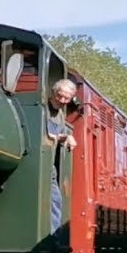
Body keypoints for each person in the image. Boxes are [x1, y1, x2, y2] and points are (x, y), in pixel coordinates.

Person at [46, 79, 78, 239]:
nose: (63, 101)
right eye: (60, 96)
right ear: (54, 92)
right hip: (40, 160)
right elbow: (42, 133)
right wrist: (62, 137)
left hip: (49, 165)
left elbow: (63, 132)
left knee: (56, 200)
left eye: (67, 98)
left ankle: (53, 238)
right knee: (54, 199)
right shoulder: (42, 108)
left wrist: (69, 136)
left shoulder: (60, 115)